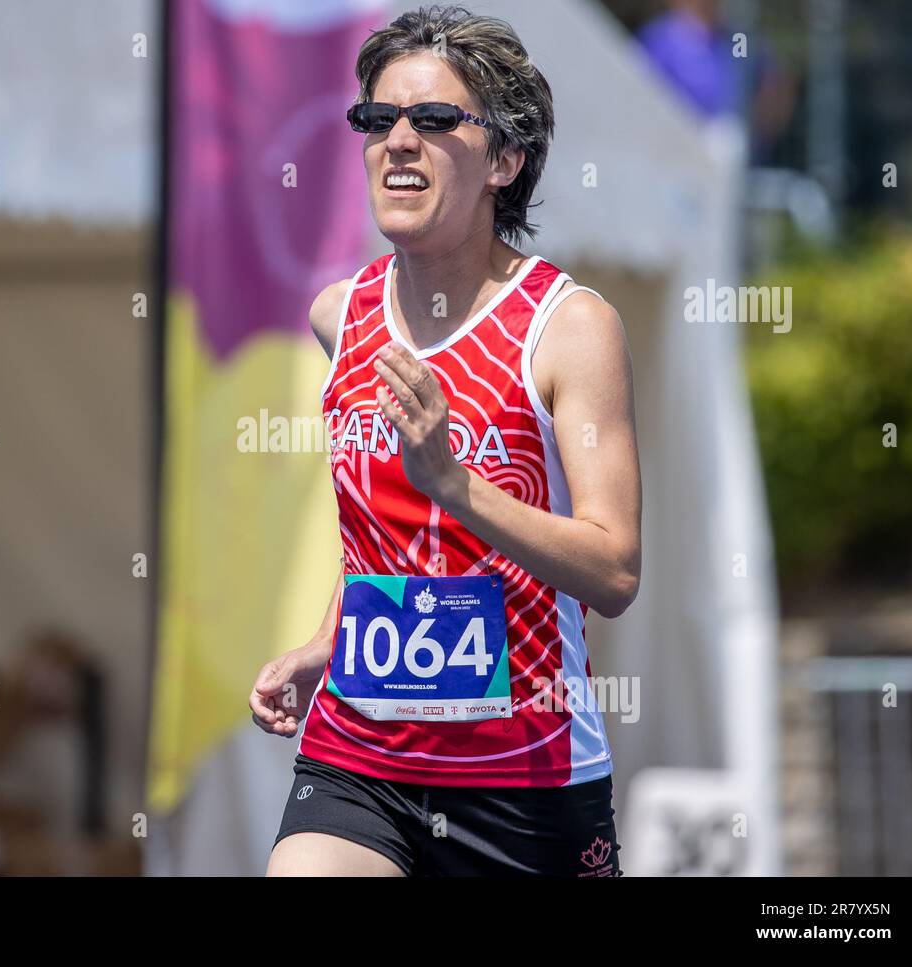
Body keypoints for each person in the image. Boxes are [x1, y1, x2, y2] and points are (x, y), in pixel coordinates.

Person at [249, 5, 642, 877]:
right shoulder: (339, 317)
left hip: (525, 778)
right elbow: (381, 538)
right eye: (377, 120)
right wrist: (328, 637)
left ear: (505, 159)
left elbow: (615, 570)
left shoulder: (568, 327)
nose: (398, 141)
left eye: (432, 121)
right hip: (362, 761)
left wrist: (455, 482)